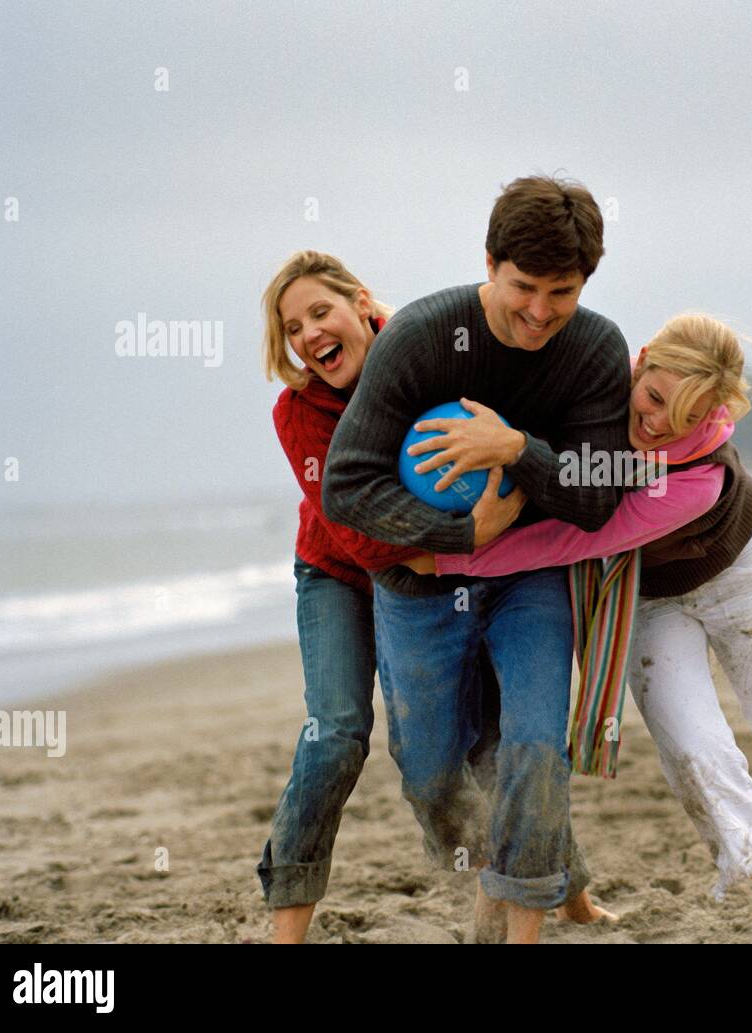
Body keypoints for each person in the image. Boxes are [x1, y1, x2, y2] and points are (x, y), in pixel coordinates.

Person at [412, 313, 752, 943]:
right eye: (651, 398)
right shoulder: (597, 388)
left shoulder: (697, 478)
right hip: (650, 597)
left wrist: (452, 557)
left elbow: (573, 536)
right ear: (641, 360)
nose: (655, 424)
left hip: (746, 577)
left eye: (683, 417)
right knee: (697, 756)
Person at [254, 250, 595, 943]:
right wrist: (470, 533)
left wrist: (493, 522)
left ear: (361, 302)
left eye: (321, 311)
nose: (309, 334)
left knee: (503, 741)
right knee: (336, 737)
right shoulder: (297, 412)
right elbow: (363, 541)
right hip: (346, 573)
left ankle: (570, 895)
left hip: (449, 568)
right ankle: (286, 928)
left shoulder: (425, 358)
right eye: (292, 328)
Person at [322, 175, 626, 944]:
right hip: (421, 585)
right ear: (489, 264)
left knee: (531, 745)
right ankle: (531, 874)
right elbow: (347, 486)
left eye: (561, 292)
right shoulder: (422, 337)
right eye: (523, 287)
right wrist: (463, 534)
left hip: (530, 579)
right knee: (430, 772)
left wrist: (515, 449)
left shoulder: (594, 348)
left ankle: (517, 926)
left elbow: (597, 495)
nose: (538, 311)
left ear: (585, 281)